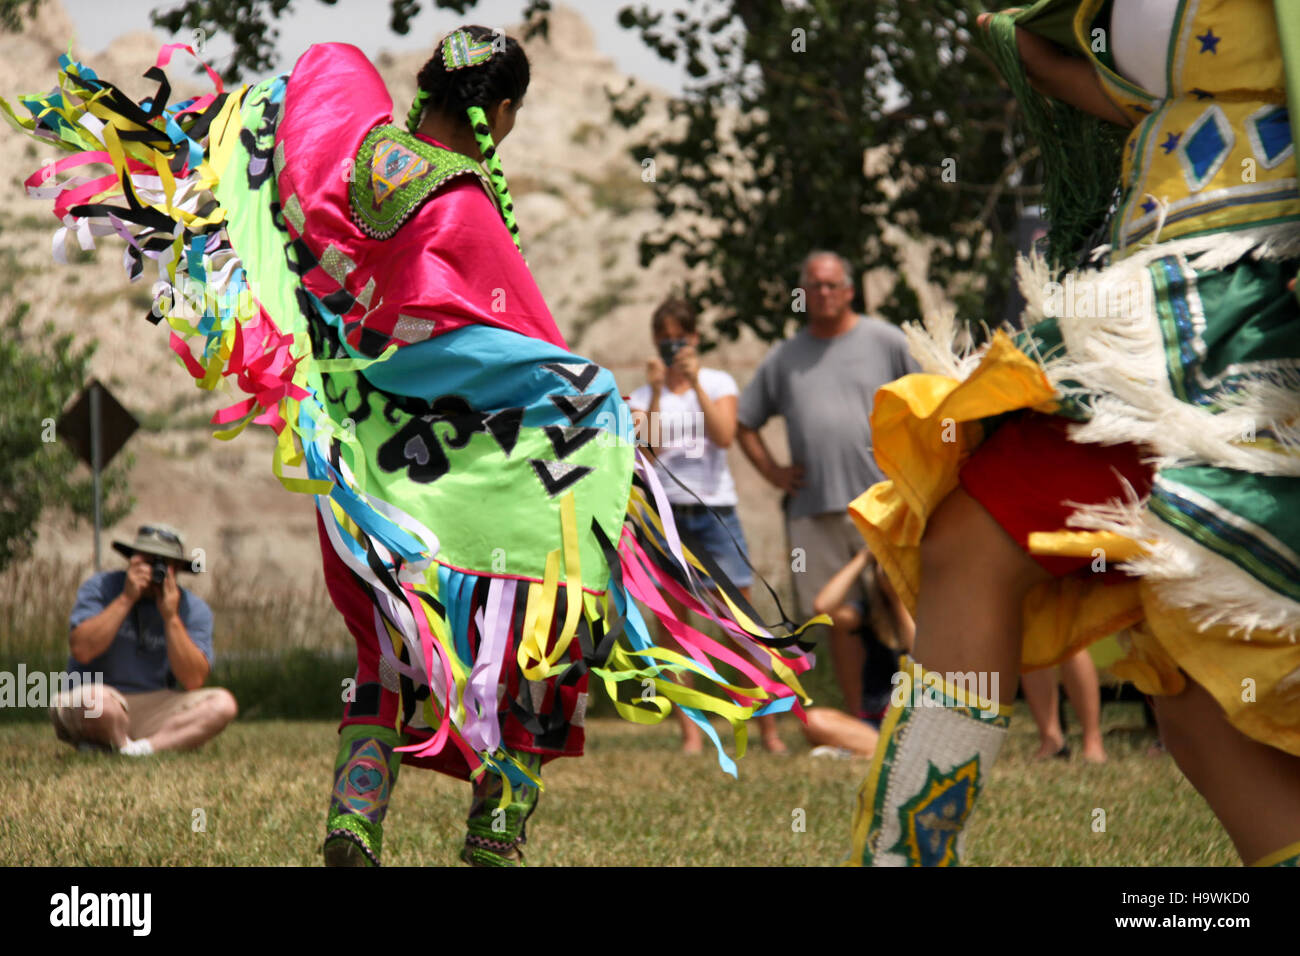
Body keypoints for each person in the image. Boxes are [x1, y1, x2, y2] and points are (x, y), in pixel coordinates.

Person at [6, 27, 816, 867]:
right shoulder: (464, 205)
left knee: (384, 650)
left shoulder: (347, 156)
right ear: (500, 112)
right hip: (468, 481)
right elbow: (513, 346)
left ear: (426, 84)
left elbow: (323, 75)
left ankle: (355, 821)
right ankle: (494, 832)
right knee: (537, 632)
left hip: (360, 465)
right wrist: (592, 402)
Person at [847, 0, 1300, 867]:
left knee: (978, 540)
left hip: (1241, 318)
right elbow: (1099, 81)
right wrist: (997, 29)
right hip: (1161, 309)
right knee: (1202, 701)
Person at [736, 250, 918, 716]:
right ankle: (861, 717)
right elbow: (744, 423)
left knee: (902, 607)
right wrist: (775, 472)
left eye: (831, 284)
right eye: (813, 285)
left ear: (849, 290)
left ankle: (916, 712)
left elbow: (925, 405)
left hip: (882, 504)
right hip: (813, 510)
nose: (822, 292)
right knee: (838, 621)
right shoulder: (785, 357)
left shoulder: (886, 340)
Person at [629, 298, 786, 754]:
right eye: (665, 339)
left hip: (715, 512)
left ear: (695, 339)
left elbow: (723, 436)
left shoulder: (718, 382)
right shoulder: (641, 395)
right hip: (667, 515)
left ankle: (767, 728)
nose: (672, 346)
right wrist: (657, 393)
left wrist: (694, 381)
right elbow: (647, 454)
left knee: (742, 625)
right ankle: (691, 733)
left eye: (680, 337)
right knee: (673, 628)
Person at [50, 524, 237, 756]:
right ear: (131, 560)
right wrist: (126, 598)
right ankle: (121, 743)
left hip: (153, 704)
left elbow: (192, 679)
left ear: (177, 568)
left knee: (223, 704)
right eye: (146, 561)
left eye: (163, 564)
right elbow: (82, 650)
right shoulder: (100, 587)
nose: (153, 571)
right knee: (99, 705)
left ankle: (137, 750)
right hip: (96, 696)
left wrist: (171, 617)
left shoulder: (193, 609)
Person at [802, 548, 914, 758]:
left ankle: (863, 751)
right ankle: (882, 751)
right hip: (875, 724)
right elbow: (822, 608)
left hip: (916, 724)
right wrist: (864, 557)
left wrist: (898, 600)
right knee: (812, 719)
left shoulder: (931, 609)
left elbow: (918, 654)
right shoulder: (871, 613)